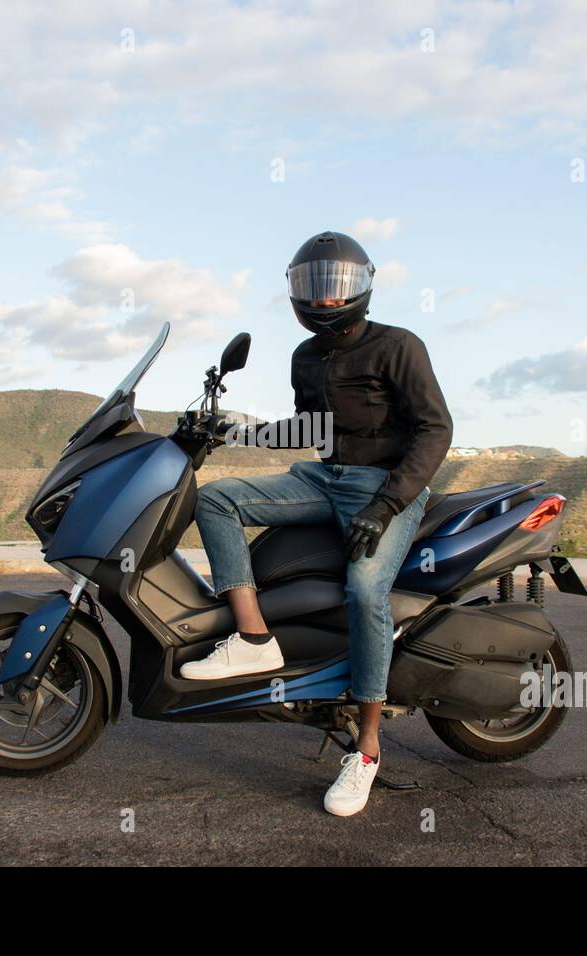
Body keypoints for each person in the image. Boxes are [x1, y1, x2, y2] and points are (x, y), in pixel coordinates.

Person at [184, 230, 453, 817]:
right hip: (321, 476)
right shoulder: (305, 357)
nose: (326, 299)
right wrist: (233, 430)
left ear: (361, 287)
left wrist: (386, 505)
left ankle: (368, 749)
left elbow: (436, 430)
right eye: (315, 287)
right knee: (216, 500)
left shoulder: (399, 346)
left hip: (385, 485)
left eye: (336, 287)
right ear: (297, 293)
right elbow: (311, 432)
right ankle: (256, 640)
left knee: (364, 589)